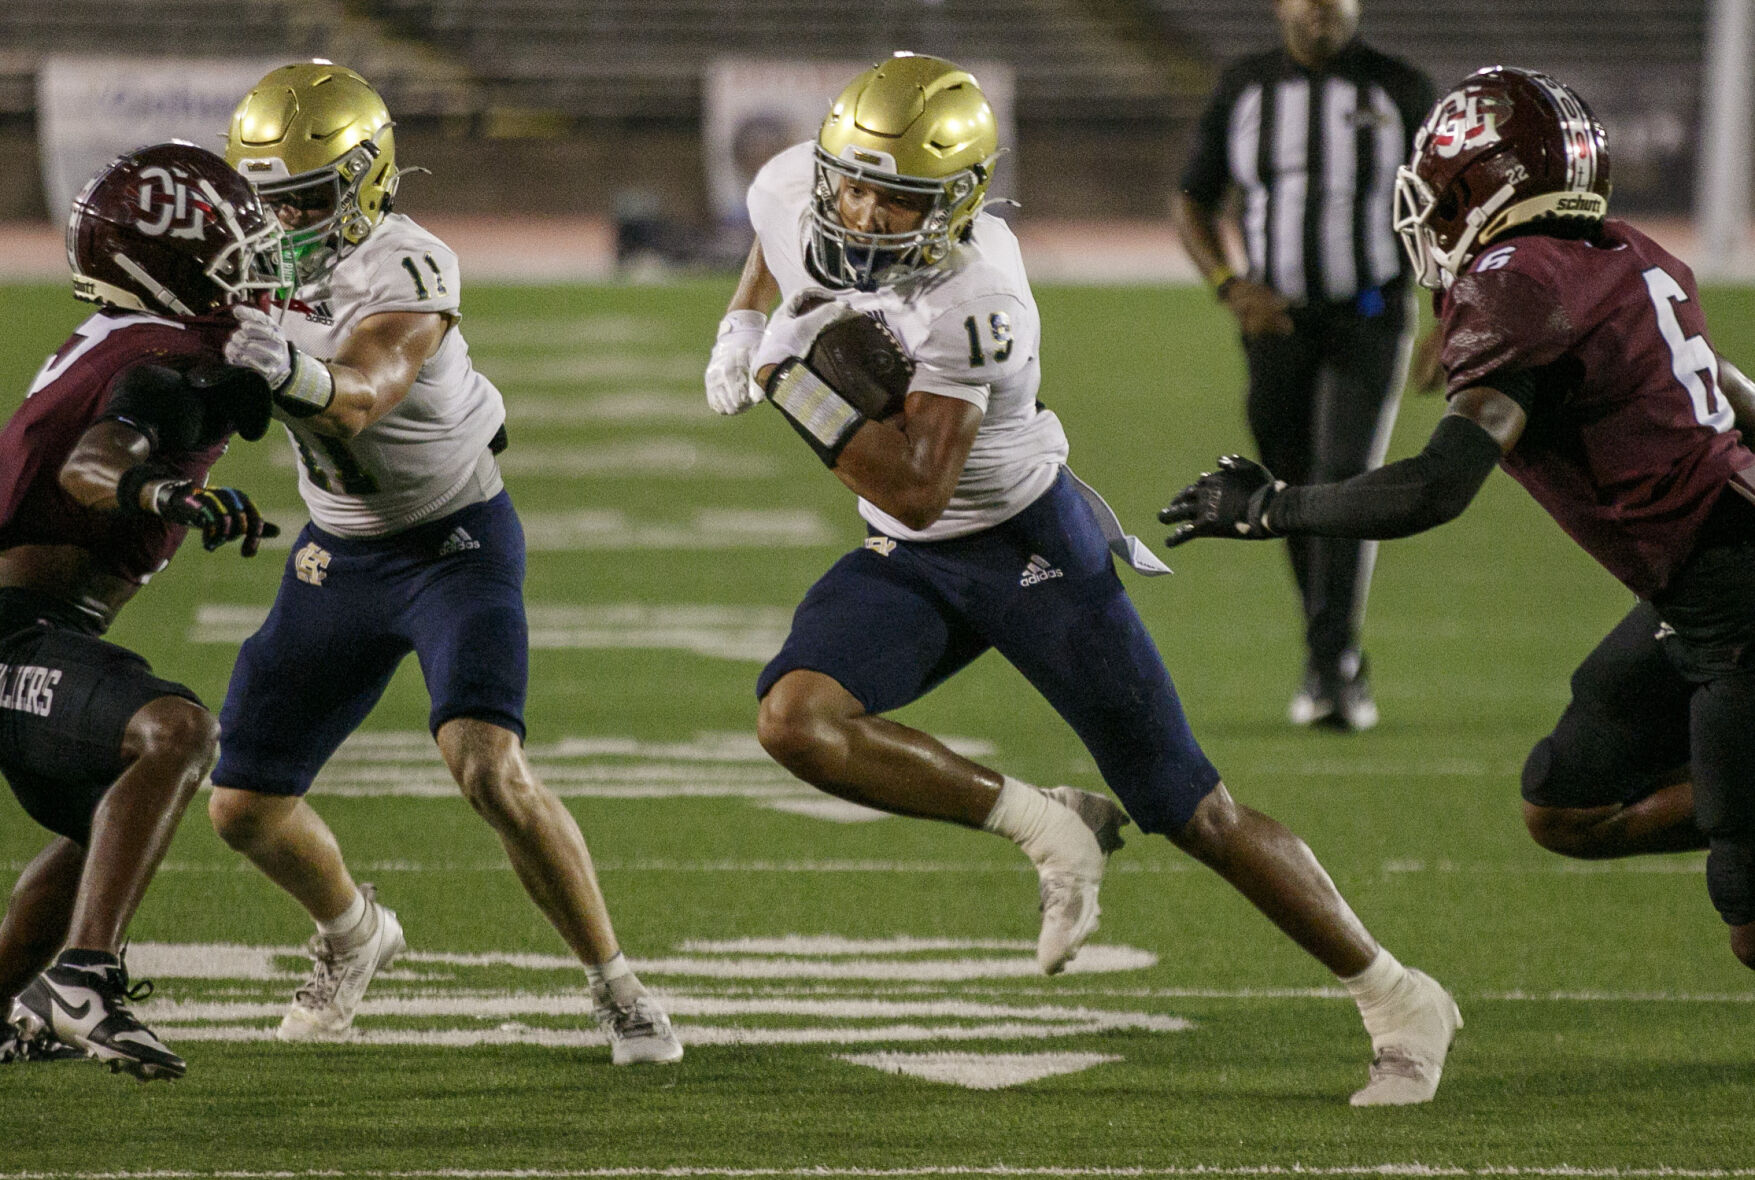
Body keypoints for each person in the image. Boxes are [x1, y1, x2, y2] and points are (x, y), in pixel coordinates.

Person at [706, 51, 1460, 1105]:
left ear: (959, 200)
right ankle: (1048, 822)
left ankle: (1398, 994)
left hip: (1026, 546)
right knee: (796, 721)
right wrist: (745, 321)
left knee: (1191, 809)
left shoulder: (980, 296)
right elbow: (779, 236)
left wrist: (792, 382)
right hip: (911, 561)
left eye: (899, 198)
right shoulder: (798, 184)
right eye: (855, 186)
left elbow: (919, 488)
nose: (865, 214)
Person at [1163, 67, 1755, 971]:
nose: (1430, 217)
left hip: (1732, 602)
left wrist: (1274, 507)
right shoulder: (1624, 250)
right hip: (1696, 584)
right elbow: (1730, 388)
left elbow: (1435, 488)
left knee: (1748, 923)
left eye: (1441, 196)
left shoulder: (1518, 285)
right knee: (1563, 804)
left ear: (1480, 188)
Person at [209, 62, 681, 1064]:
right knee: (242, 807)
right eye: (270, 197)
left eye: (307, 196)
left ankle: (618, 985)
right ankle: (354, 934)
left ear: (366, 177)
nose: (284, 218)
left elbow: (363, 391)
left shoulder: (408, 262)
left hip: (450, 544)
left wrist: (284, 366)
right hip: (339, 548)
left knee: (488, 769)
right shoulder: (245, 260)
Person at [0, 142, 285, 1078]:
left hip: (33, 625)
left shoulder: (134, 338)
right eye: (233, 253)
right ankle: (84, 979)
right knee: (174, 734)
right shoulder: (161, 361)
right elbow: (92, 466)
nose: (253, 270)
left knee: (107, 823)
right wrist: (169, 496)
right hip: (12, 630)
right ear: (167, 263)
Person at [1171, 0, 1435, 730]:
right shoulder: (1245, 87)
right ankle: (1331, 650)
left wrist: (1450, 314)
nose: (1321, 7)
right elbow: (1192, 200)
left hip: (1369, 316)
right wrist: (1229, 287)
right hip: (1276, 323)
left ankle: (1332, 666)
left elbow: (1452, 206)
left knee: (1342, 477)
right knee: (1286, 490)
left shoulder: (1400, 88)